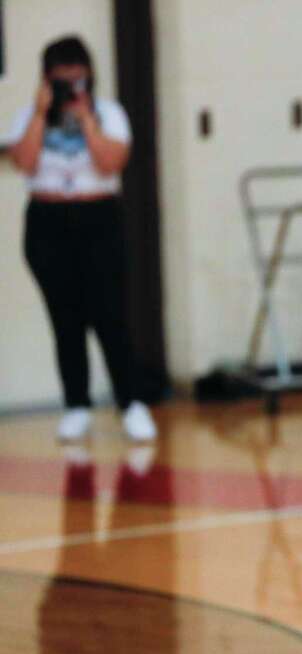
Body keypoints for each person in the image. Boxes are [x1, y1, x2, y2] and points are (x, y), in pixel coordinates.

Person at [8, 36, 156, 442]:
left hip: (99, 219)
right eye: (62, 81)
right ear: (46, 80)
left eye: (78, 80)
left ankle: (131, 403)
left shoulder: (109, 113)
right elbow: (24, 161)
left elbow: (112, 162)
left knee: (111, 314)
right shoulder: (28, 117)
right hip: (48, 222)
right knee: (65, 317)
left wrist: (87, 119)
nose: (71, 89)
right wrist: (41, 113)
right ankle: (77, 405)